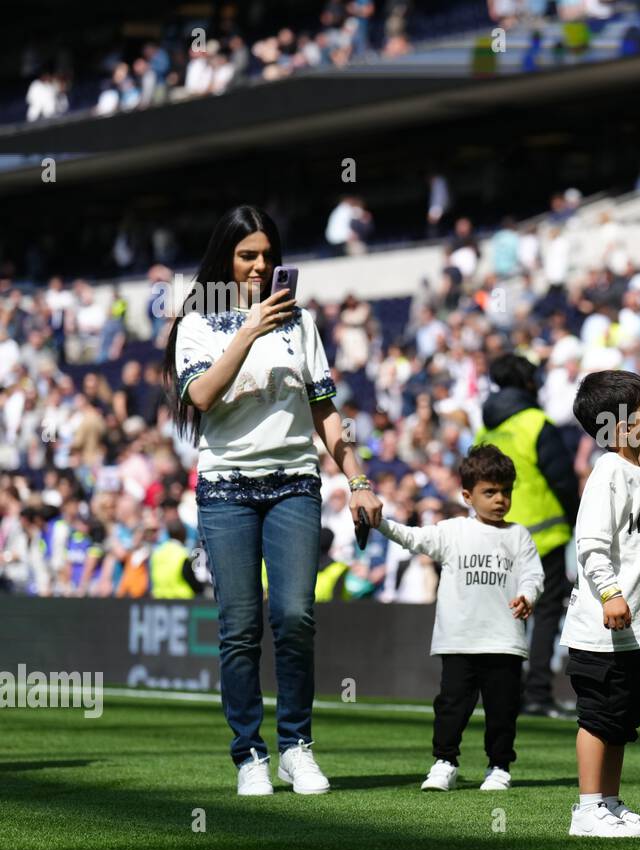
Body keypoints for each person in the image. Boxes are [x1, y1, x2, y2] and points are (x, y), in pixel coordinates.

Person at [163, 205, 383, 797]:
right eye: (247, 255)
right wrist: (250, 328)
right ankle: (249, 755)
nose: (260, 266)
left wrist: (358, 480)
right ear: (225, 260)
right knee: (239, 627)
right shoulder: (198, 325)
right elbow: (204, 395)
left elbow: (325, 410)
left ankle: (296, 748)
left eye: (267, 255)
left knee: (294, 617)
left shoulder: (301, 323)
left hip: (294, 481)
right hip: (226, 487)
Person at [374, 444, 544, 792]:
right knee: (451, 706)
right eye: (490, 492)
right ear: (467, 495)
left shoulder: (518, 536)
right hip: (460, 639)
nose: (500, 499)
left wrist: (528, 596)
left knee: (502, 710)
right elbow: (413, 538)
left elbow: (533, 576)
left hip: (504, 642)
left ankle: (499, 767)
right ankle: (444, 762)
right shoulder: (452, 532)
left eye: (506, 492)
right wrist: (380, 524)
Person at [561, 370, 640, 838]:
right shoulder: (609, 472)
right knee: (599, 717)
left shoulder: (638, 473)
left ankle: (609, 802)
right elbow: (590, 543)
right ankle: (587, 809)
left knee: (621, 718)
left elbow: (625, 539)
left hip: (631, 629)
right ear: (621, 425)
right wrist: (610, 593)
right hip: (604, 629)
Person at [477, 354, 579, 717]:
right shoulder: (537, 424)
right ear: (528, 384)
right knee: (545, 611)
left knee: (505, 615)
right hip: (543, 536)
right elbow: (563, 481)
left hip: (495, 535)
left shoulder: (486, 430)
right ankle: (537, 692)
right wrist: (576, 516)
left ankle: (503, 694)